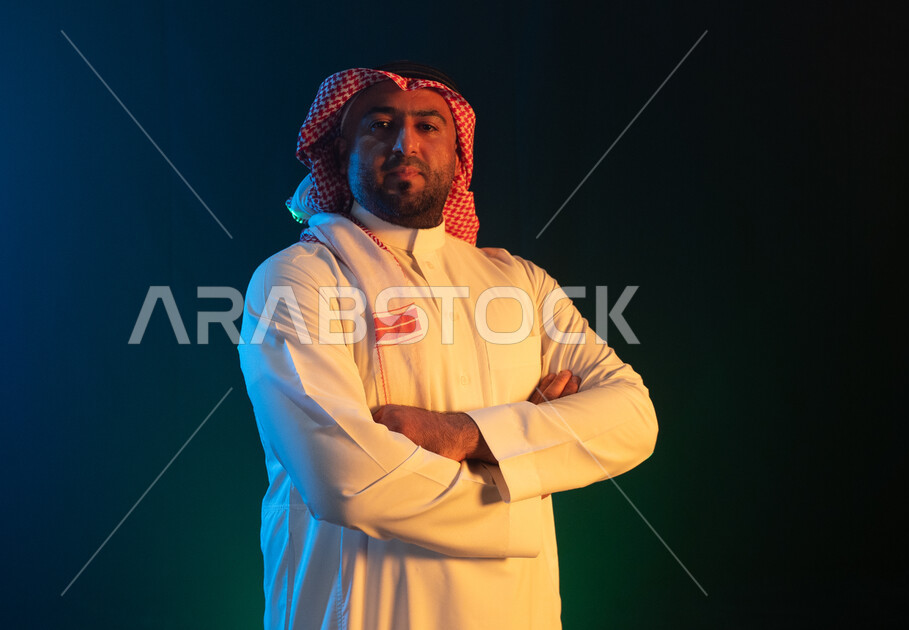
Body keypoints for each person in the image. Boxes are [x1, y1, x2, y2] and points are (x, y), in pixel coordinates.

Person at [238, 61, 658, 630]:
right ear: (341, 152)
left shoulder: (519, 283)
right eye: (380, 125)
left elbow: (632, 418)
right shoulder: (297, 279)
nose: (405, 144)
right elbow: (345, 479)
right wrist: (525, 475)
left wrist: (465, 435)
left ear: (458, 156)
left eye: (428, 126)